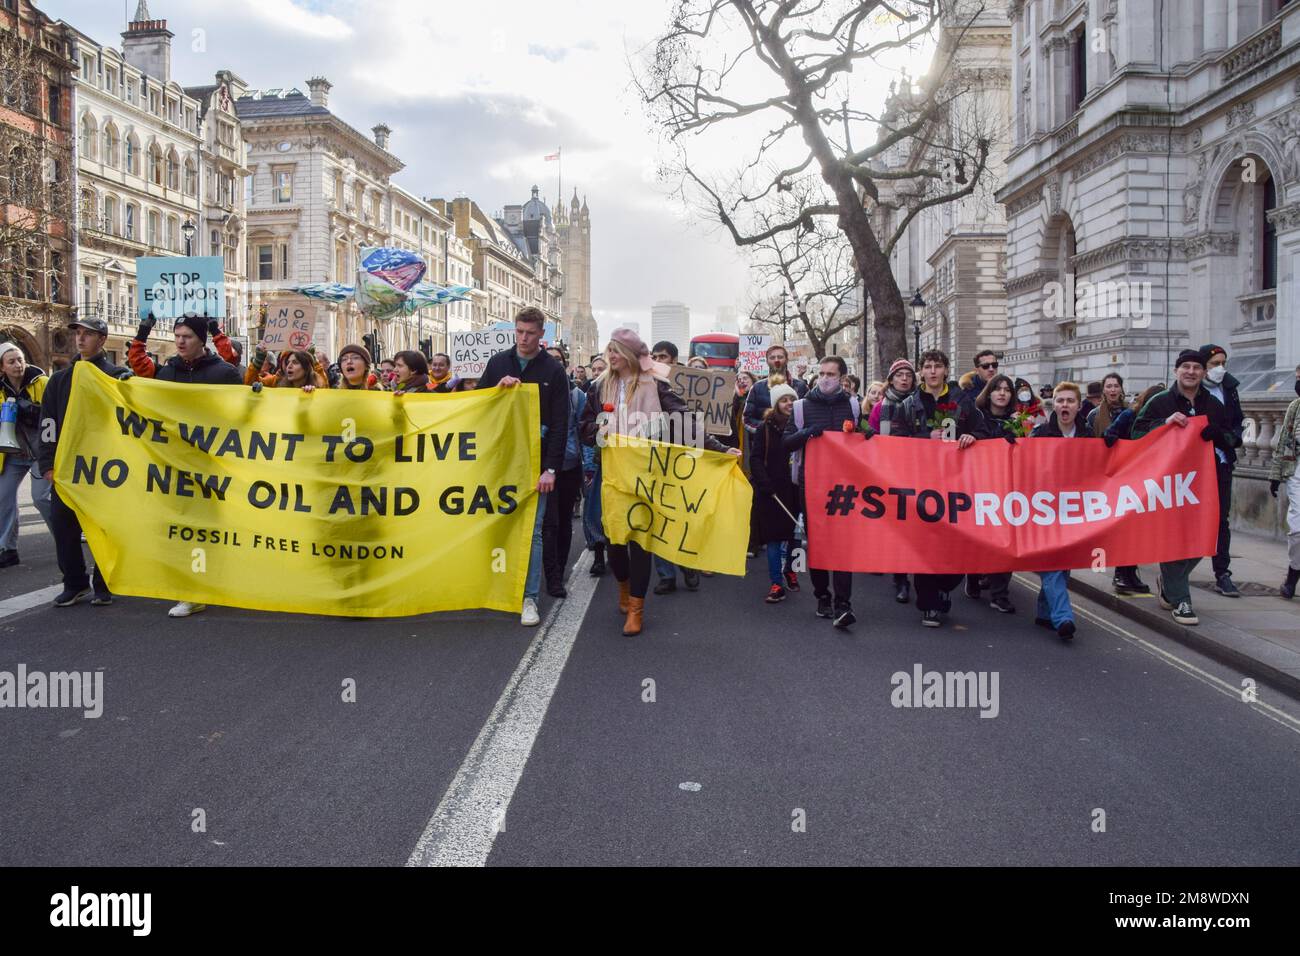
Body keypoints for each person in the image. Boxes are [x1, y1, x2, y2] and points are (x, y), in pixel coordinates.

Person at [579, 329, 737, 635]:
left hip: (647, 474)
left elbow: (685, 421)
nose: (611, 356)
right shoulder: (598, 387)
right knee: (615, 543)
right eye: (609, 350)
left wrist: (719, 448)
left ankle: (636, 608)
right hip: (612, 474)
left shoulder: (657, 385)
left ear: (630, 354)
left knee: (641, 542)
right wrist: (599, 431)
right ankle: (623, 588)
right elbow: (584, 426)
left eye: (617, 350)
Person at [1132, 349, 1242, 626]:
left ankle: (1169, 583)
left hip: (1211, 479)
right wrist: (1164, 424)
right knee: (1173, 536)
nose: (1191, 372)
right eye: (1186, 367)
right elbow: (1137, 433)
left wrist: (1219, 435)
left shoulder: (1215, 405)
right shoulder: (1160, 401)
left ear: (1203, 372)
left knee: (1209, 535)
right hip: (1171, 482)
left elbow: (1234, 436)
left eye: (1196, 367)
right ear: (1176, 371)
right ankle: (1182, 600)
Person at [479, 307, 570, 627]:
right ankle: (499, 587)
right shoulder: (497, 363)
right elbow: (477, 408)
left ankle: (529, 597)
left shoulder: (554, 371)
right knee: (497, 524)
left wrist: (551, 469)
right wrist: (495, 391)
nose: (523, 338)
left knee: (533, 531)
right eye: (519, 331)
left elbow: (561, 424)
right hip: (501, 459)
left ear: (541, 335)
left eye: (530, 333)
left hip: (535, 462)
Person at [38, 317, 130, 607]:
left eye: (88, 334)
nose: (80, 339)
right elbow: (48, 422)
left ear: (102, 339)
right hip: (67, 466)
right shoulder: (60, 379)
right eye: (78, 333)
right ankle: (74, 583)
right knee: (64, 526)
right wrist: (48, 464)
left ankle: (104, 583)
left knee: (104, 527)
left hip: (104, 467)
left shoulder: (117, 376)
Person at [893, 350, 975, 626]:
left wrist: (970, 435)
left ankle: (944, 587)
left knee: (956, 547)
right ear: (921, 372)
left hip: (956, 485)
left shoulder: (962, 401)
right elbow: (895, 441)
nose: (932, 371)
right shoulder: (908, 405)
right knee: (925, 545)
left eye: (937, 366)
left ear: (946, 370)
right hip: (921, 485)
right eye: (927, 367)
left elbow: (984, 432)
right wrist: (925, 437)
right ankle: (928, 603)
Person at [783, 355, 861, 628]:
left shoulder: (852, 405)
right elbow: (787, 443)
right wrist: (807, 433)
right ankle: (822, 596)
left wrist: (868, 433)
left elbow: (859, 441)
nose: (826, 379)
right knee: (816, 543)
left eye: (832, 374)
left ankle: (843, 603)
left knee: (842, 545)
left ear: (842, 378)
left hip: (844, 486)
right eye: (823, 373)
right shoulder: (802, 407)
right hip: (811, 485)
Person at [1026, 382, 1093, 640]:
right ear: (1054, 404)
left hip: (1074, 510)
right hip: (1044, 510)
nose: (1065, 405)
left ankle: (1044, 612)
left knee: (1062, 563)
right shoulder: (1040, 433)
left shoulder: (1088, 436)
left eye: (1070, 401)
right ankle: (1063, 617)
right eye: (1060, 400)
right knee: (1052, 563)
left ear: (1078, 405)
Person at [1100, 382, 1163, 596]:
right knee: (1126, 528)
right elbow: (1109, 436)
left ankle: (1131, 572)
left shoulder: (1163, 420)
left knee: (1138, 530)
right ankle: (1121, 573)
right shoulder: (1129, 416)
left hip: (1148, 480)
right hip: (1127, 479)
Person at [969, 373, 1021, 614]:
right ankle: (974, 573)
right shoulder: (977, 417)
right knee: (981, 538)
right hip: (981, 486)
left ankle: (1000, 593)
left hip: (1009, 488)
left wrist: (1022, 437)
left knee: (1006, 540)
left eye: (1007, 390)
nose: (1002, 393)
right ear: (989, 393)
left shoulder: (1019, 420)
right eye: (997, 389)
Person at [0, 343, 54, 568]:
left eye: (20, 359)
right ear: (2, 367)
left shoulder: (41, 382)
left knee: (41, 498)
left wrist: (33, 410)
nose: (18, 365)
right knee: (3, 498)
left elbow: (57, 412)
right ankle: (7, 549)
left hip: (41, 452)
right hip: (14, 453)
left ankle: (66, 534)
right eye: (11, 361)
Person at [868, 358, 917, 603]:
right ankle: (901, 579)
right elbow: (875, 437)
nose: (905, 379)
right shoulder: (881, 407)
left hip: (919, 471)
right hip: (891, 473)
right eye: (900, 375)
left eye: (908, 374)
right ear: (892, 379)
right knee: (899, 527)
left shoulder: (921, 404)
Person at [1199, 344, 1246, 597]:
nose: (1220, 368)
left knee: (1221, 520)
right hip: (1195, 465)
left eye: (1223, 363)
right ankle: (1175, 573)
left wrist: (1231, 438)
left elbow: (1238, 422)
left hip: (1222, 461)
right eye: (1215, 363)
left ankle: (1222, 573)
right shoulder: (1193, 389)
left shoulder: (1229, 388)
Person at [542, 346, 586, 598]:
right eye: (550, 360)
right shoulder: (535, 388)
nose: (554, 363)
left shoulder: (577, 396)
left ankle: (558, 568)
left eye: (559, 360)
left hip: (568, 466)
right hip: (540, 465)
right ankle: (552, 575)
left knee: (562, 521)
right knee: (548, 522)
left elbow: (582, 432)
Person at [750, 383, 800, 602]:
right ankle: (776, 583)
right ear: (775, 404)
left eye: (791, 399)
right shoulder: (765, 427)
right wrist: (764, 483)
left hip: (795, 488)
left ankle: (792, 570)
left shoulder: (801, 424)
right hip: (771, 490)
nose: (788, 403)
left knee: (795, 536)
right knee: (773, 538)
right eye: (783, 400)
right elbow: (756, 457)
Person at [130, 313, 243, 385]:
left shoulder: (224, 373)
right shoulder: (165, 373)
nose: (180, 341)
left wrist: (255, 393)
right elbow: (139, 364)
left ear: (201, 341)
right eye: (177, 336)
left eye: (187, 336)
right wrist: (142, 332)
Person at [1269, 365, 1300, 599]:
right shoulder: (1295, 406)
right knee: (1297, 529)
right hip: (1296, 469)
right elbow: (1284, 441)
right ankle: (1294, 571)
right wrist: (1275, 475)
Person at [743, 344, 808, 430]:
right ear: (767, 361)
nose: (776, 360)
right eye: (772, 358)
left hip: (794, 439)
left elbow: (809, 415)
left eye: (780, 357)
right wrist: (765, 430)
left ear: (786, 360)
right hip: (766, 441)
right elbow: (747, 419)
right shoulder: (757, 387)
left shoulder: (800, 386)